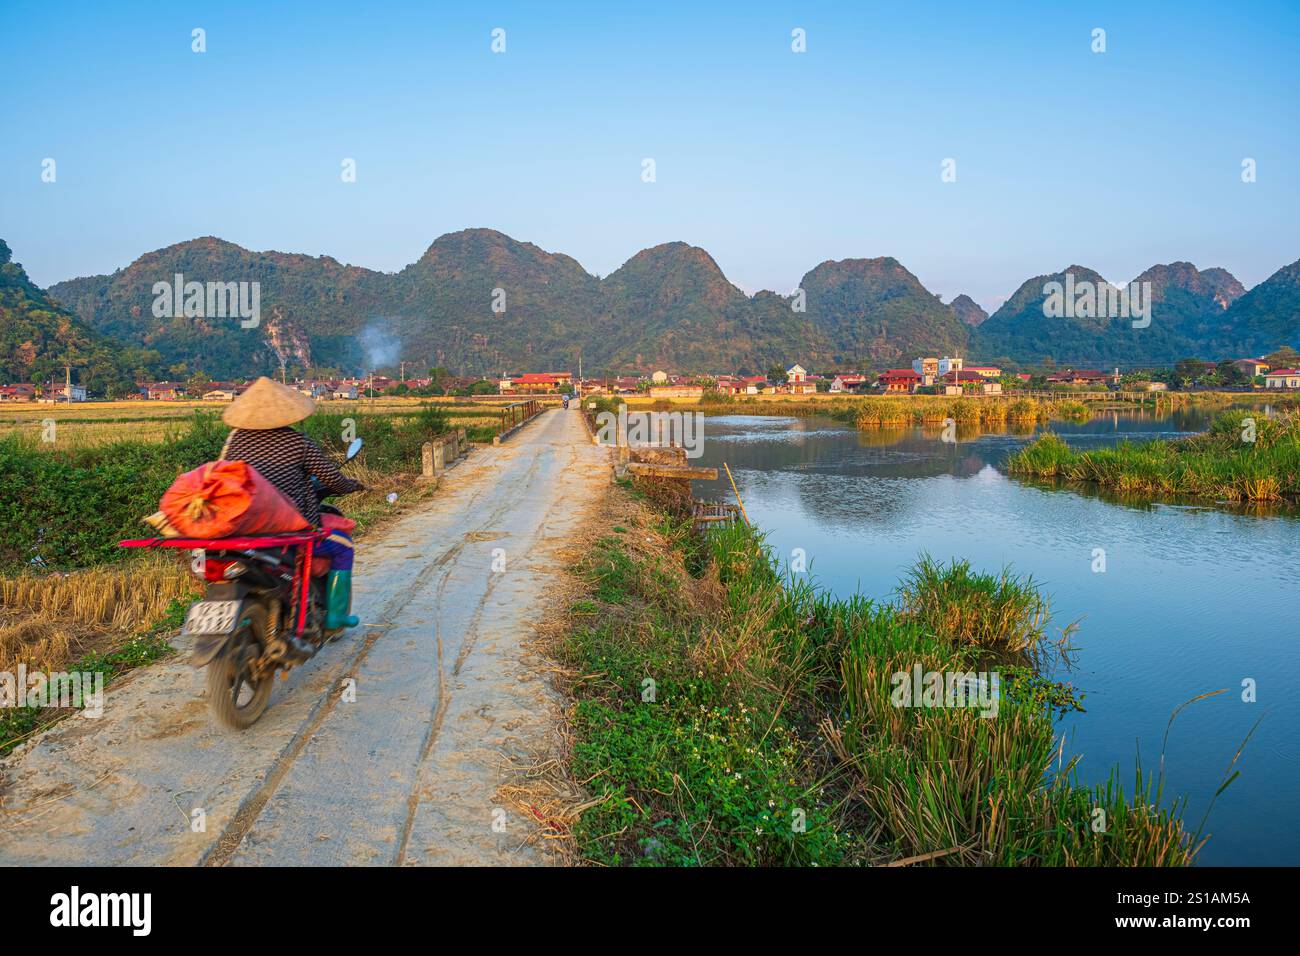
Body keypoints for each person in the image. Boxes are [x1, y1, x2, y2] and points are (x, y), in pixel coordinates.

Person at [219, 377, 364, 630]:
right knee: (344, 547)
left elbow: (221, 474)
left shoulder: (234, 441)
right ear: (287, 412)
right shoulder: (298, 442)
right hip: (289, 529)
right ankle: (336, 617)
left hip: (243, 526)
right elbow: (331, 479)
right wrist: (350, 485)